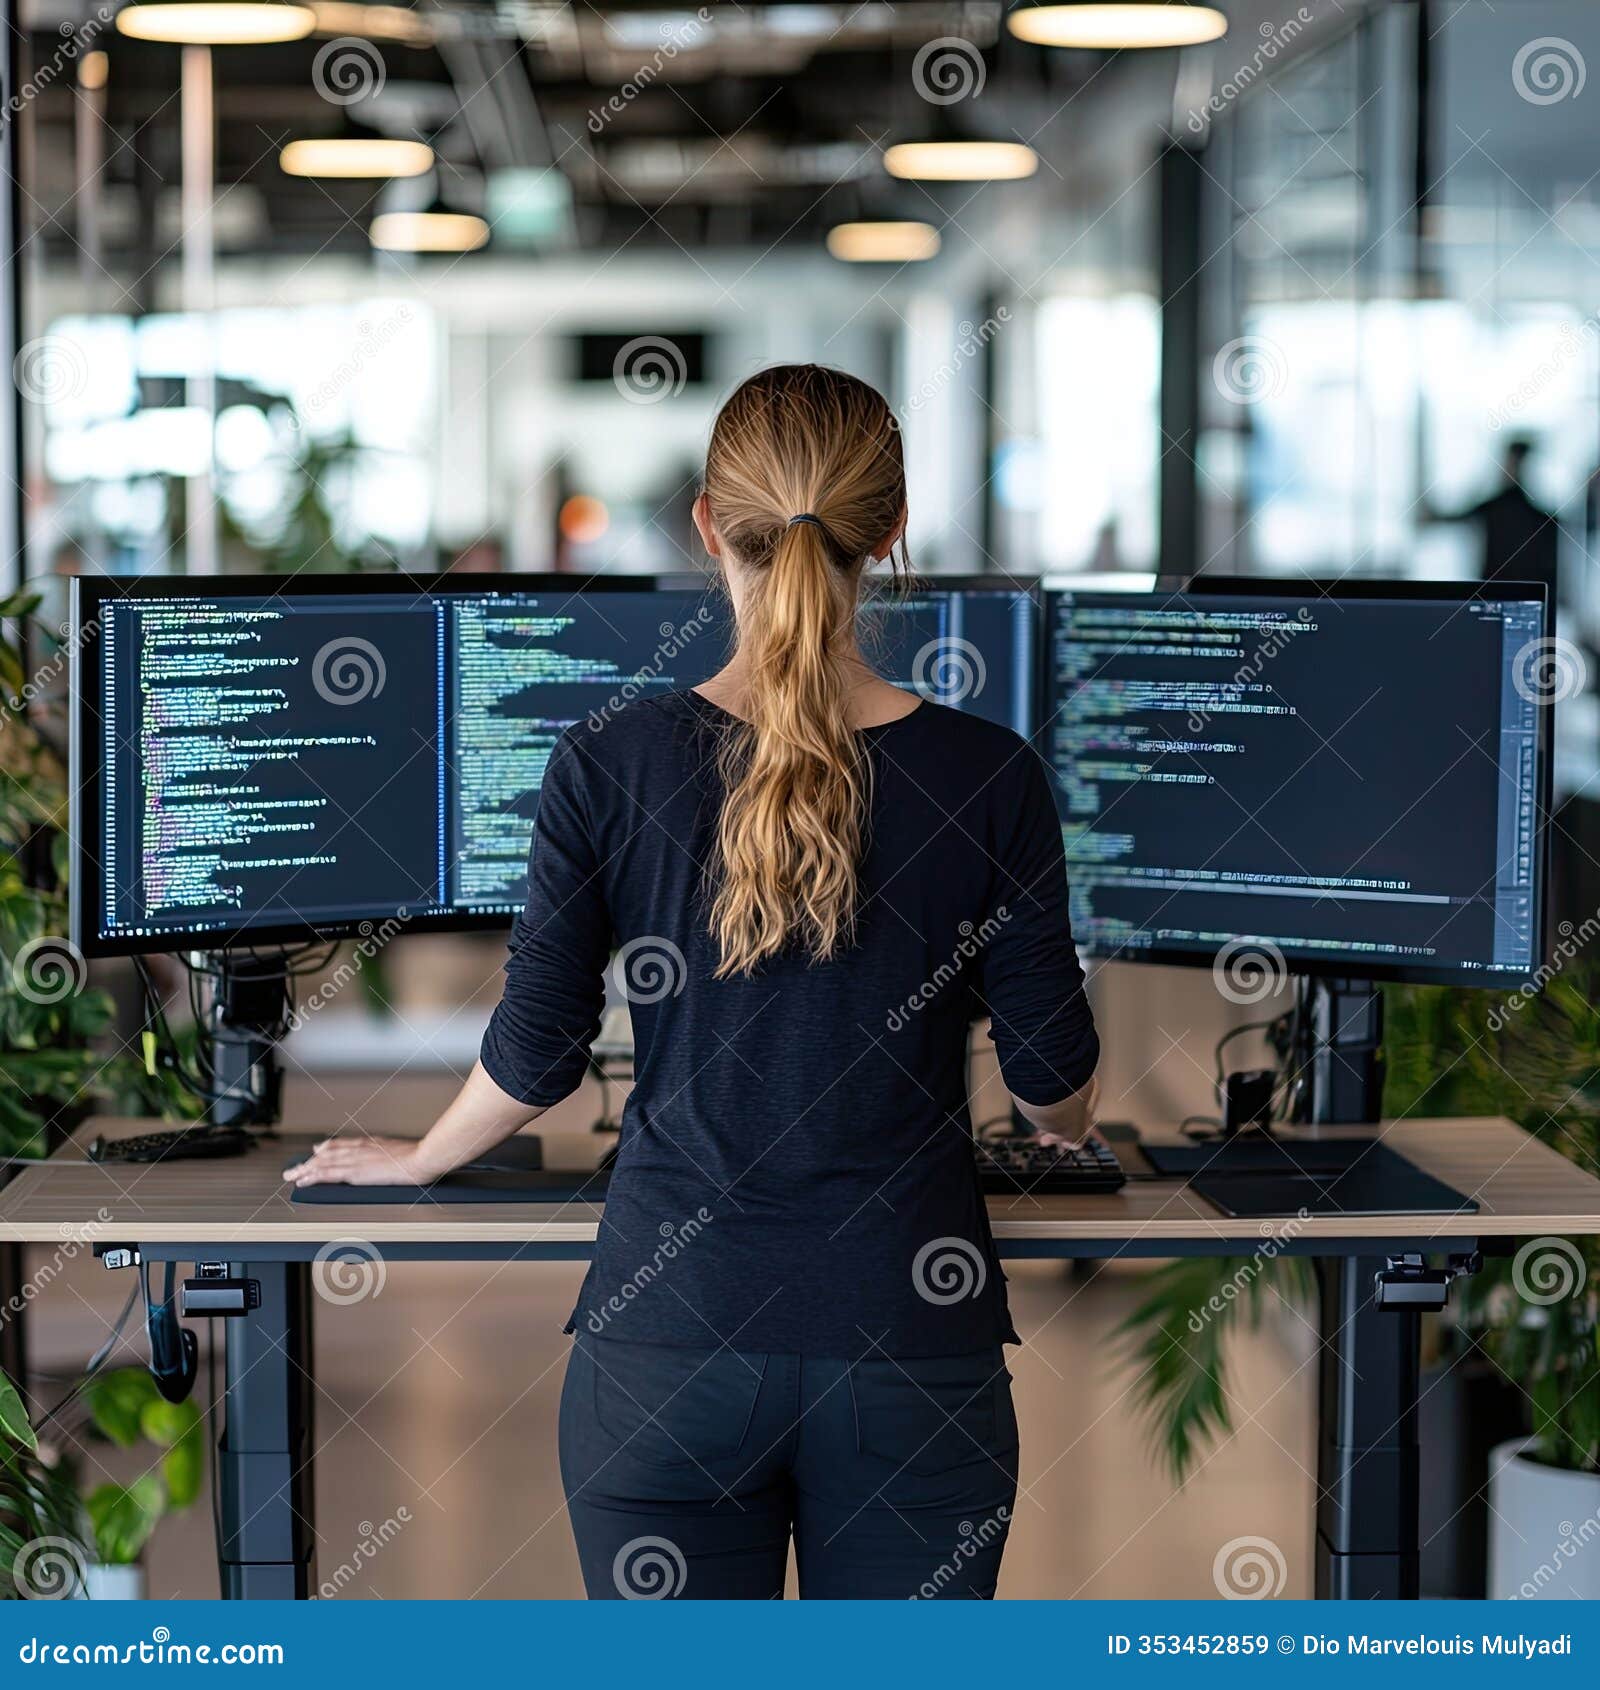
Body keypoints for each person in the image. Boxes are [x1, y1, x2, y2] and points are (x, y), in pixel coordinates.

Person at [286, 365, 1100, 1600]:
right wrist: (1050, 1112)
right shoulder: (989, 774)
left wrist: (421, 1157)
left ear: (707, 528)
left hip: (667, 1353)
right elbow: (1056, 1088)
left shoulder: (608, 761)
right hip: (909, 1349)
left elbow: (537, 1056)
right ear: (891, 534)